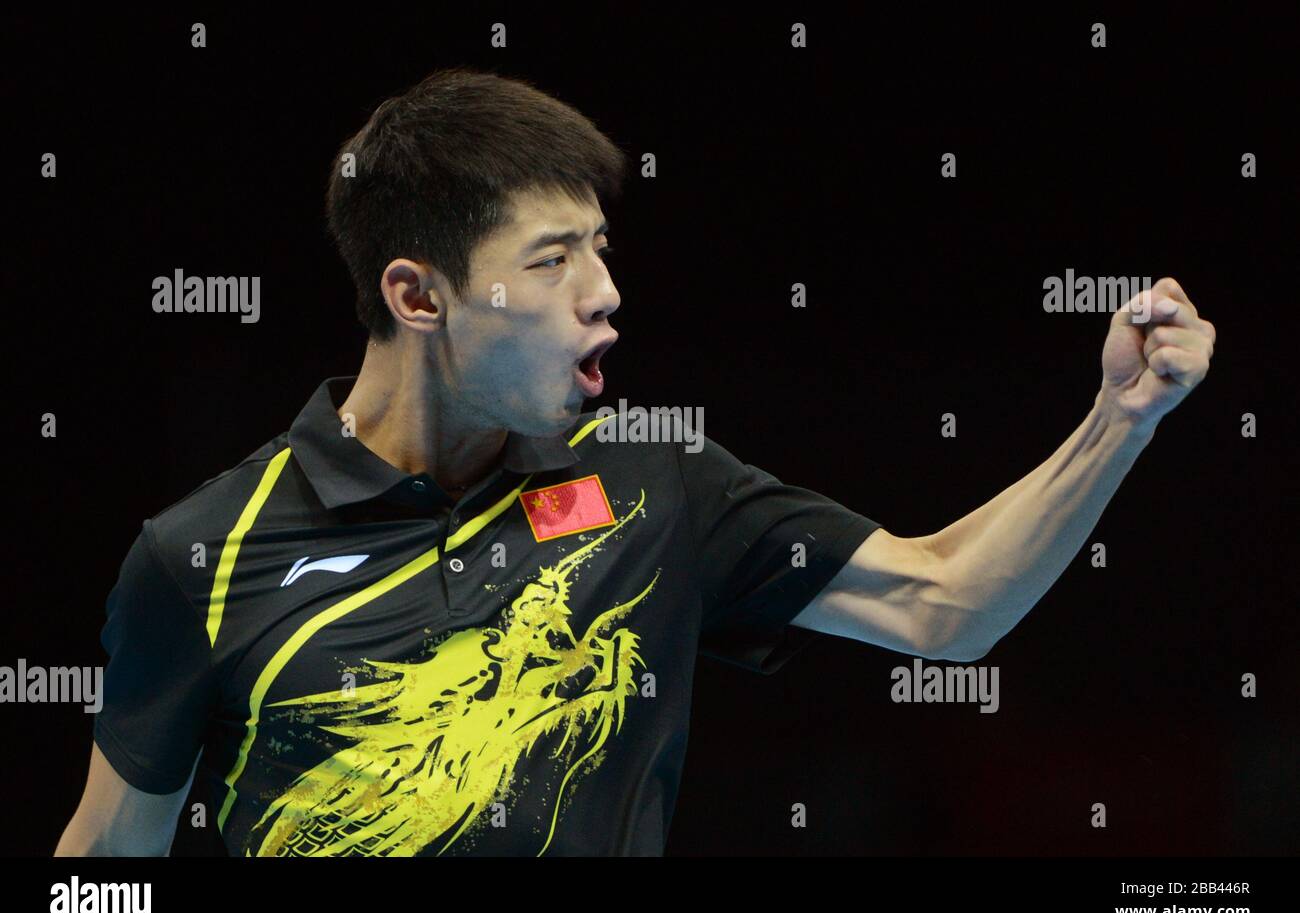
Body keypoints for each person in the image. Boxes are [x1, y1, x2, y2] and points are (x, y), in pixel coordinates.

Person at [55, 66, 1215, 857]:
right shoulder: (203, 554)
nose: (604, 294)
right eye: (553, 260)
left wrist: (1121, 418)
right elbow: (103, 866)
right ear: (417, 294)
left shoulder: (655, 484)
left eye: (600, 249)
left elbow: (946, 604)